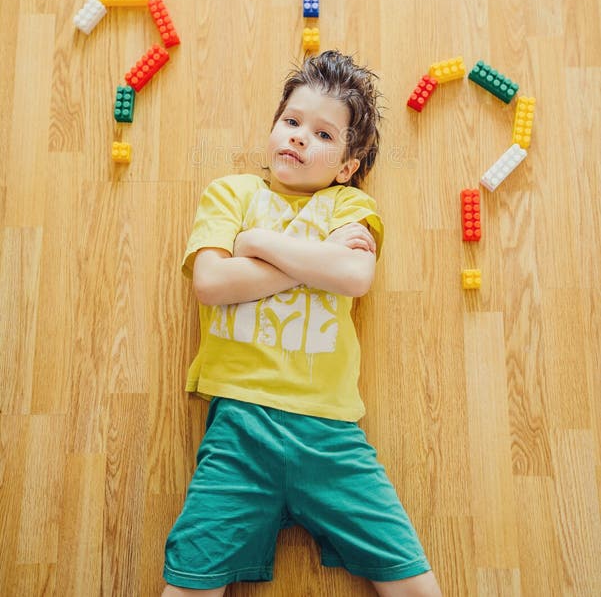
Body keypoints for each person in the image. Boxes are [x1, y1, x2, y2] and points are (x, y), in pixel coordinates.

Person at [161, 51, 442, 597]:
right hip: (238, 430)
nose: (297, 138)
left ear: (346, 166)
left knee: (414, 581)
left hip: (331, 434)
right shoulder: (232, 193)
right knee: (188, 579)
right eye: (290, 122)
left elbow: (355, 274)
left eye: (321, 134)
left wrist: (258, 245)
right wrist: (316, 263)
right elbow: (213, 283)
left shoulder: (348, 206)